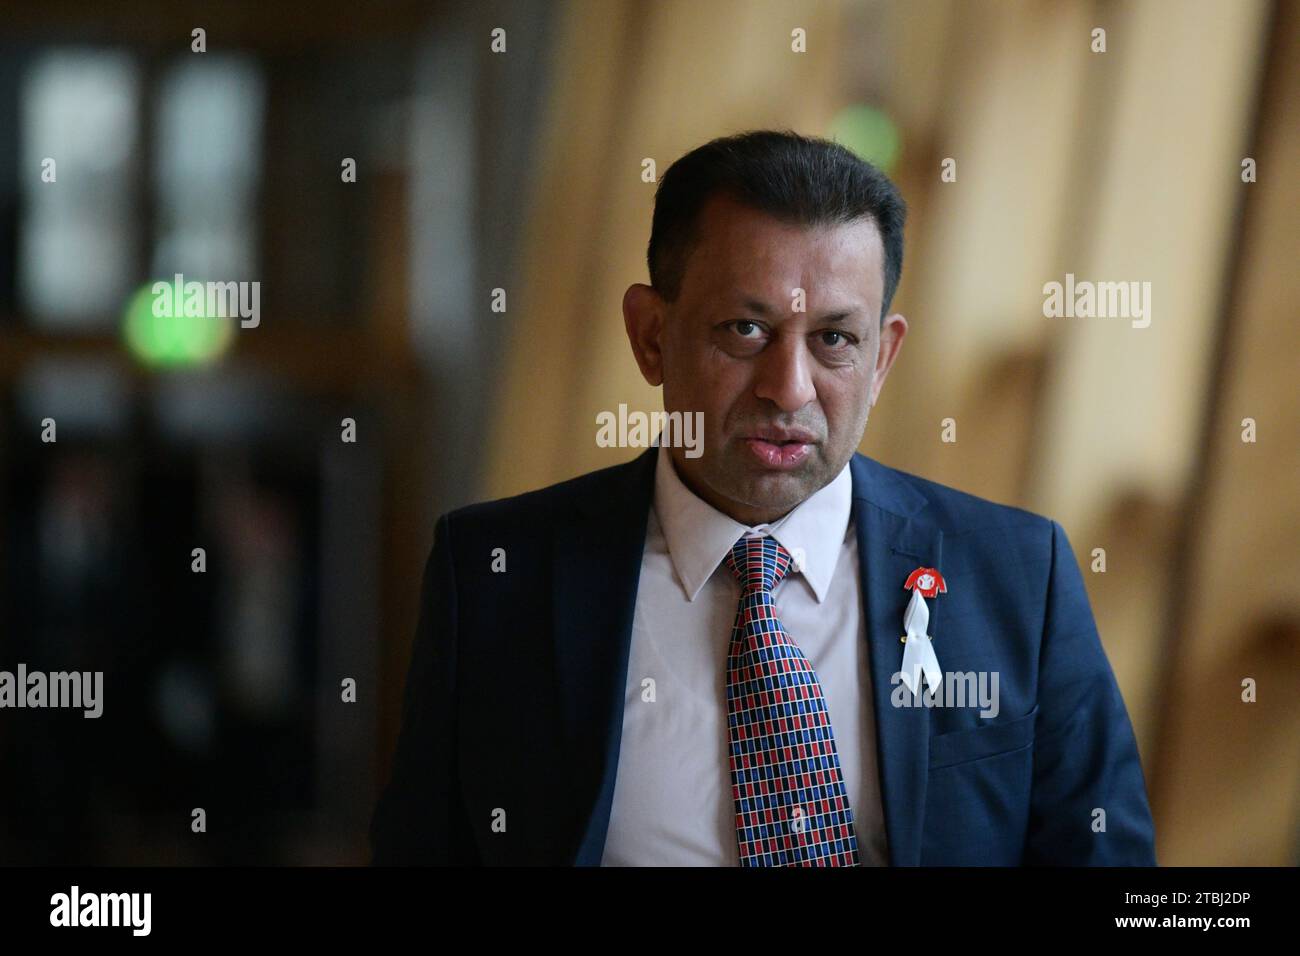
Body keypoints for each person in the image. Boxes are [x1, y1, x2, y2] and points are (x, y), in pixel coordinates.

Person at [369, 129, 1157, 866]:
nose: (788, 389)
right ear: (650, 335)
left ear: (882, 359)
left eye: (834, 340)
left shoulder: (1018, 575)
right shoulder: (496, 573)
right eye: (745, 331)